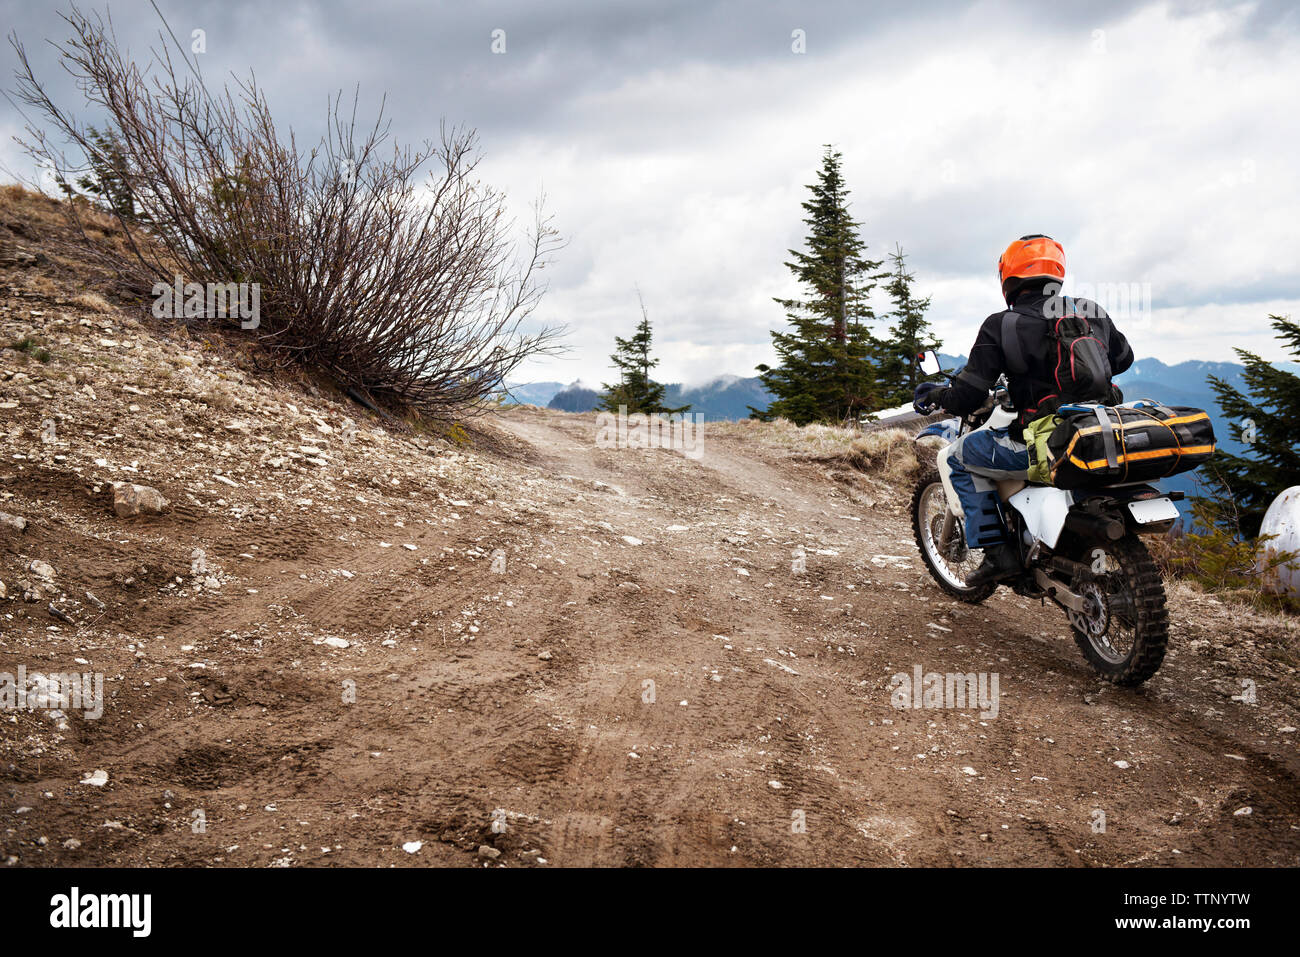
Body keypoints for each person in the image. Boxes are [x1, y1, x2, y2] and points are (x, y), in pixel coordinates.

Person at [912, 234, 1134, 587]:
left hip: (1047, 443)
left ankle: (999, 555)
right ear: (1056, 273)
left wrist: (940, 394)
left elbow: (969, 395)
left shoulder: (1002, 324)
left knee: (958, 456)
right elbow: (1123, 360)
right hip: (1102, 432)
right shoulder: (1090, 310)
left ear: (1009, 277)